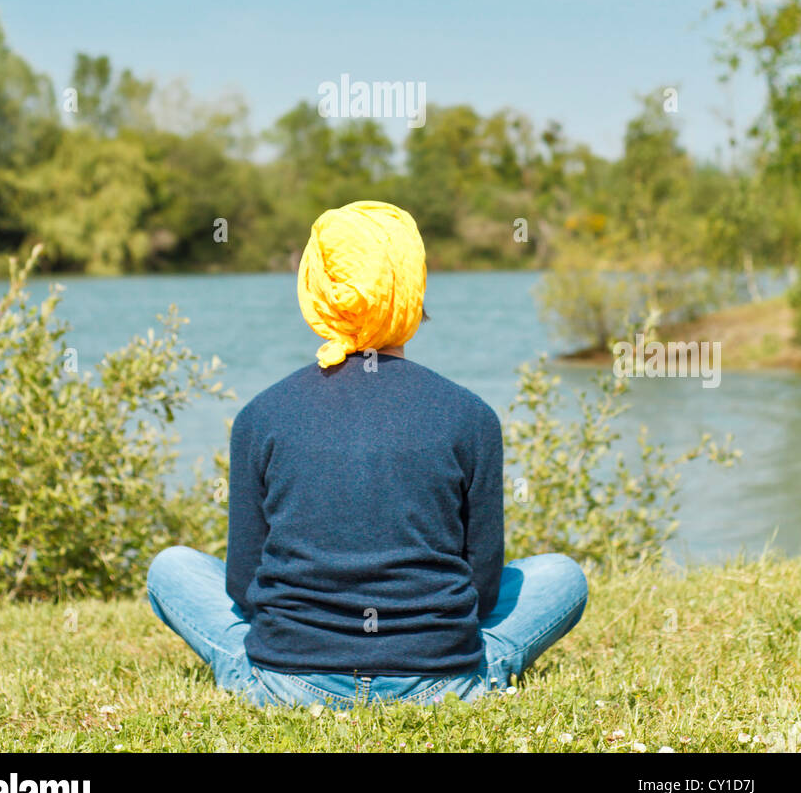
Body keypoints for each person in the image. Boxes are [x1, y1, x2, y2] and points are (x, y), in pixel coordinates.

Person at [147, 200, 587, 706]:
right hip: (436, 681)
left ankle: (250, 670)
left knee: (172, 567)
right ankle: (480, 669)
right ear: (411, 290)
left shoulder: (260, 414)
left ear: (317, 292)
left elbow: (244, 587)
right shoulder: (472, 415)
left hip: (289, 682)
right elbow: (483, 590)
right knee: (562, 575)